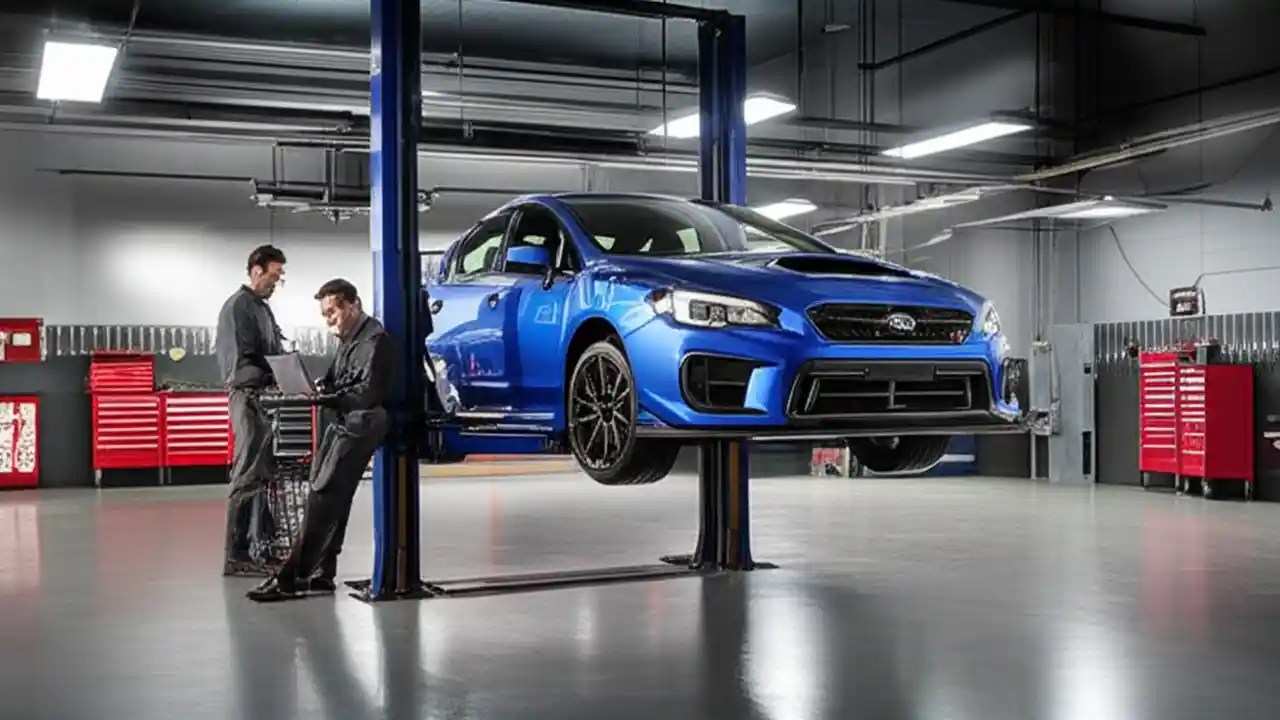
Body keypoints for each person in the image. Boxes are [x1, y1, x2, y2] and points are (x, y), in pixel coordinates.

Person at [248, 278, 395, 602]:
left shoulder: (375, 340)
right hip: (342, 422)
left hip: (361, 423)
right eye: (325, 314)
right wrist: (316, 387)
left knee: (322, 499)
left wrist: (325, 398)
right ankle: (321, 575)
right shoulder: (349, 340)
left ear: (353, 305)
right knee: (332, 500)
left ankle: (288, 579)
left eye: (333, 312)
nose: (329, 320)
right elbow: (334, 379)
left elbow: (365, 394)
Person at [217, 244, 288, 576]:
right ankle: (236, 555)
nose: (276, 282)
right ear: (256, 271)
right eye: (273, 275)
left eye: (280, 277)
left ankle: (261, 550)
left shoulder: (262, 308)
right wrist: (282, 370)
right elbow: (251, 353)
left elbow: (274, 347)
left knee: (262, 475)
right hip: (246, 397)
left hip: (262, 397)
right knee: (247, 475)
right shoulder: (239, 306)